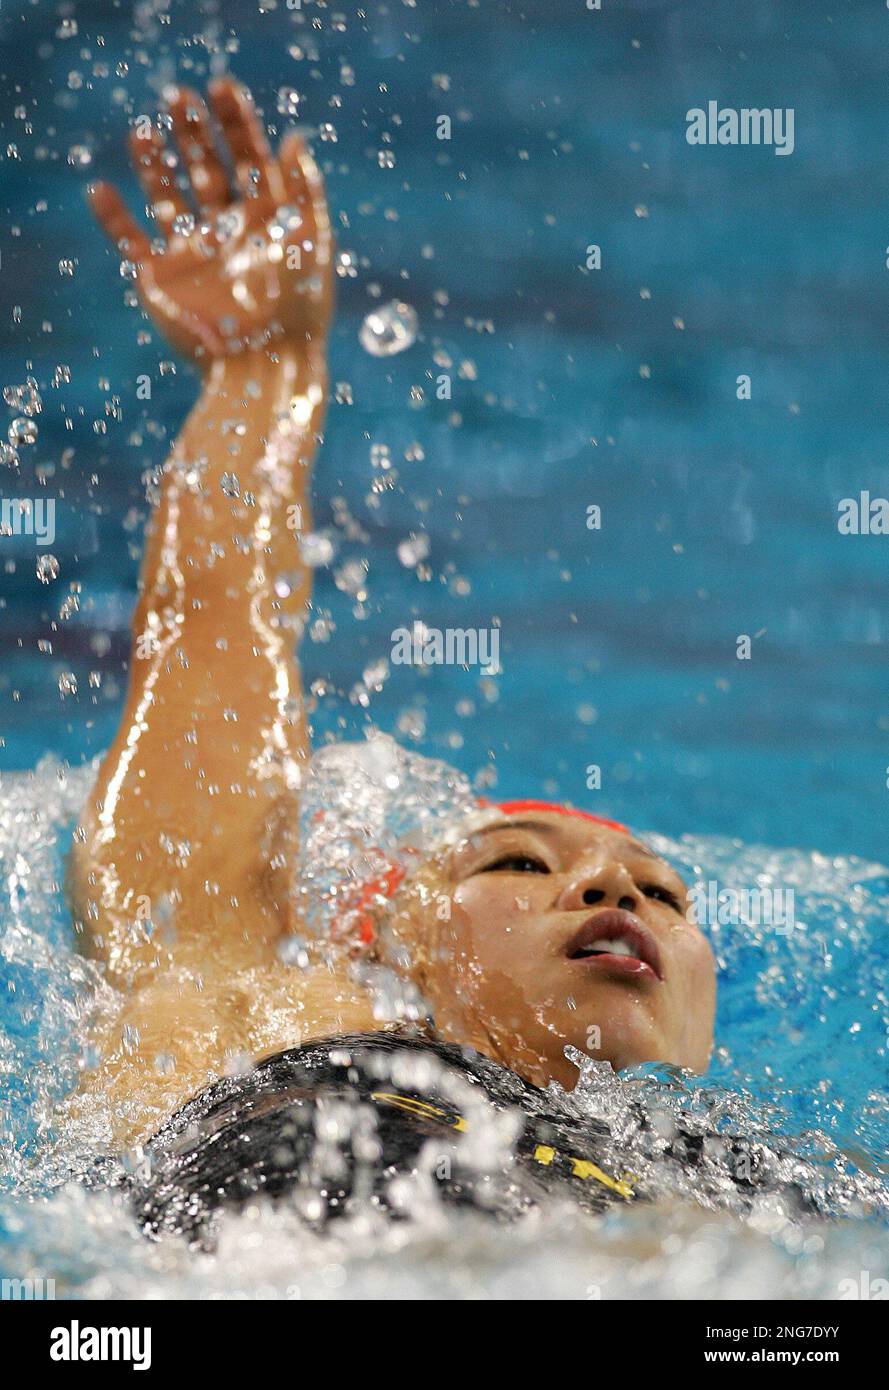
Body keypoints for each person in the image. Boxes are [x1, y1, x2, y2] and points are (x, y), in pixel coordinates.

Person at [70, 79, 727, 1235]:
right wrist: (262, 373)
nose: (616, 886)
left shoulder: (752, 1180)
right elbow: (209, 655)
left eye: (664, 892)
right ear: (397, 944)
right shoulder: (264, 1013)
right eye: (520, 865)